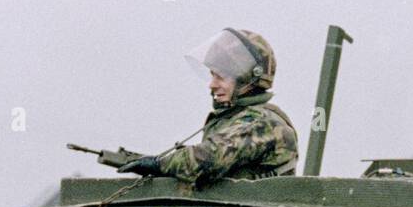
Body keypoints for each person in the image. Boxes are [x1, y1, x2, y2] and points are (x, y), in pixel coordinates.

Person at [120, 28, 298, 186]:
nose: (212, 85)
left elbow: (209, 159)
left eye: (221, 77)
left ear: (246, 80)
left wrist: (158, 164)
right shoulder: (236, 118)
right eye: (212, 76)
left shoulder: (262, 122)